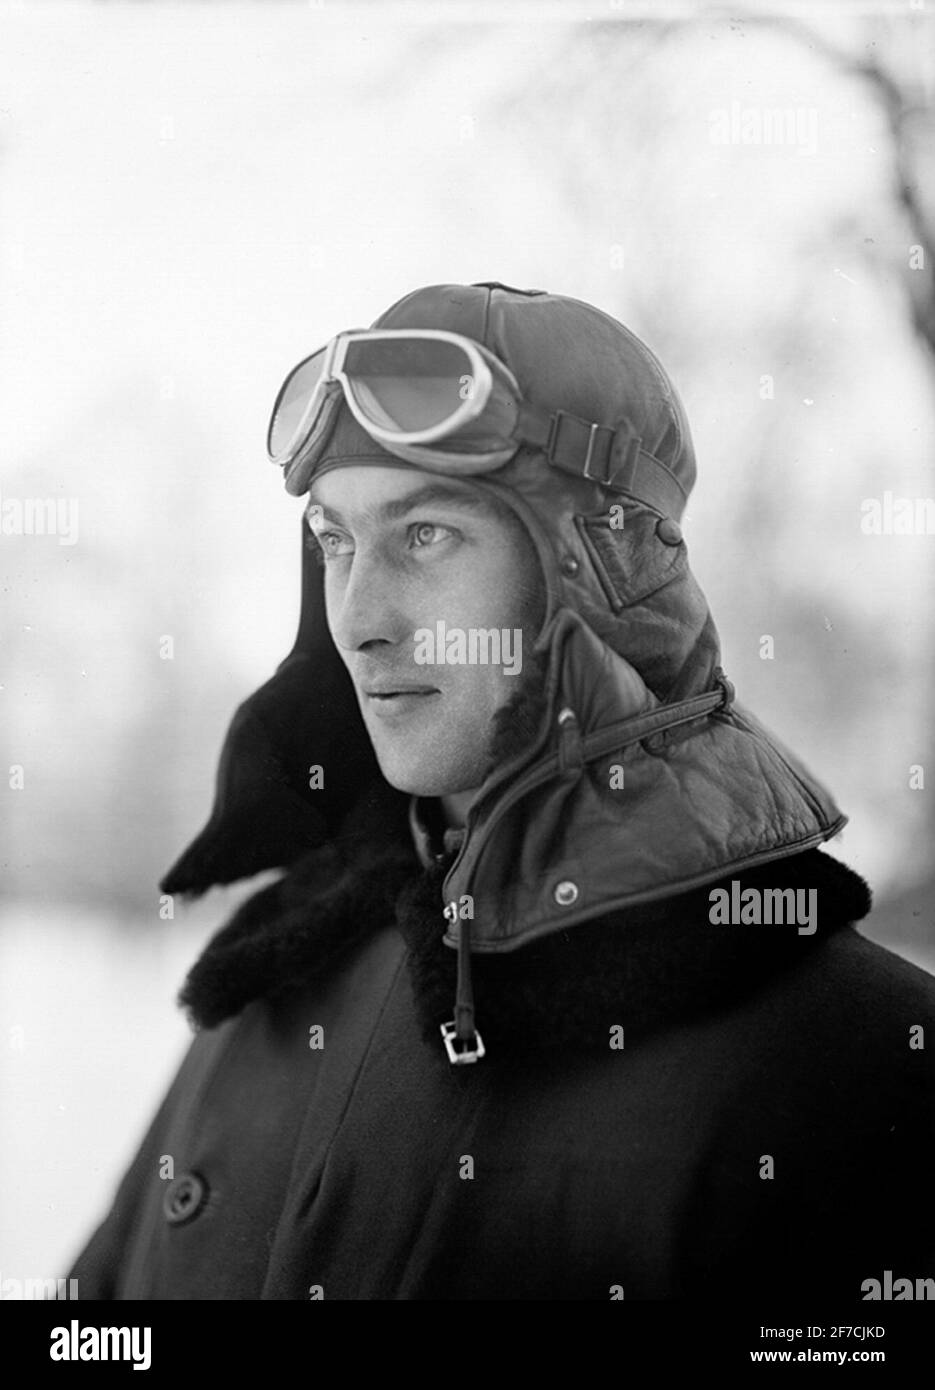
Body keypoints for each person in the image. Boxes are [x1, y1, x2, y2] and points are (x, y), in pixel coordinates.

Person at [70, 281, 935, 1300]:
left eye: (426, 534)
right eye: (335, 540)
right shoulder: (273, 983)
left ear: (604, 566)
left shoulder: (853, 1063)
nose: (359, 618)